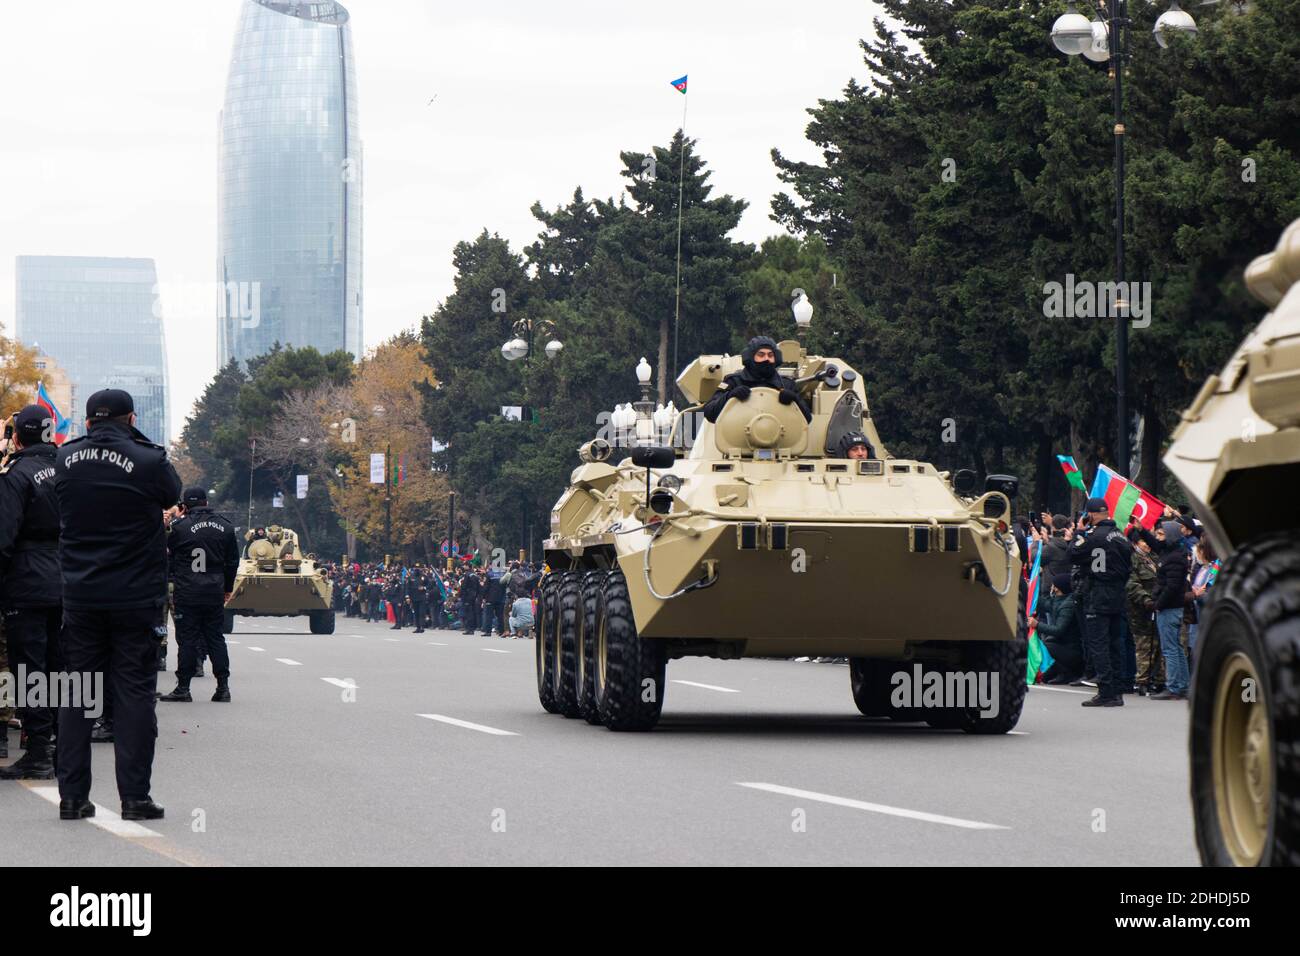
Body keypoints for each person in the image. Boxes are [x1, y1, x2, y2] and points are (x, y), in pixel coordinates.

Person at [52, 389, 182, 821]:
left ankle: (72, 798)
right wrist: (134, 440)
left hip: (81, 595)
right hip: (135, 597)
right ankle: (135, 798)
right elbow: (171, 495)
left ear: (88, 422)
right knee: (134, 695)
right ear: (131, 419)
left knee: (77, 694)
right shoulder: (149, 460)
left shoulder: (64, 459)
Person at [0, 406, 63, 779]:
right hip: (70, 578)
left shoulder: (17, 474)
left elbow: (3, 536)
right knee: (59, 664)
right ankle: (60, 745)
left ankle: (39, 750)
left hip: (27, 580)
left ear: (19, 437)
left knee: (29, 668)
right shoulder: (72, 470)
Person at [159, 487, 239, 704]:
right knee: (215, 638)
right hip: (214, 590)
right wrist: (227, 588)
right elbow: (232, 562)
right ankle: (223, 687)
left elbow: (162, 551)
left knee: (187, 640)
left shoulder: (179, 528)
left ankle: (183, 688)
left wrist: (167, 523)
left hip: (187, 591)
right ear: (206, 503)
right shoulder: (226, 527)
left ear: (184, 506)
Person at [1070, 496, 1133, 707]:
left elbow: (1073, 554)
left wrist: (1079, 532)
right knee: (1116, 644)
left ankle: (1106, 691)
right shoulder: (1121, 536)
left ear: (1091, 515)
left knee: (1098, 644)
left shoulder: (1093, 536)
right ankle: (1118, 691)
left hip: (1098, 592)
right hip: (1118, 593)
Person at [701, 336, 812, 424]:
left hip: (779, 440)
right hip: (737, 440)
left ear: (776, 358)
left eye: (770, 355)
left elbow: (807, 419)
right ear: (750, 357)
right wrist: (729, 396)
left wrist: (795, 400)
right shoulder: (734, 382)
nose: (766, 359)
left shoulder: (786, 384)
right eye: (761, 355)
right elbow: (710, 412)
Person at [1151, 520, 1191, 701]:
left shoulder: (1173, 557)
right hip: (1173, 606)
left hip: (1169, 607)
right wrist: (1141, 531)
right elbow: (1155, 544)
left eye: (1161, 534)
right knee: (1176, 647)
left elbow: (1172, 586)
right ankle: (1183, 685)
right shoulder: (1172, 552)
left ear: (1171, 536)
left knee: (1170, 649)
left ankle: (1173, 686)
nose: (1158, 537)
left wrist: (1159, 604)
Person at [1126, 528, 1164, 695]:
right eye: (1143, 541)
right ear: (1135, 543)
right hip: (1140, 610)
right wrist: (1146, 600)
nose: (1147, 544)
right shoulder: (1132, 560)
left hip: (1158, 606)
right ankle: (1142, 680)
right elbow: (1132, 584)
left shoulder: (1154, 557)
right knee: (1144, 646)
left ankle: (1159, 680)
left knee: (1159, 645)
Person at [1028, 573, 1083, 684]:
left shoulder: (1068, 605)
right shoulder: (1059, 600)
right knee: (1044, 678)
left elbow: (1058, 630)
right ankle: (1060, 672)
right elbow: (1044, 603)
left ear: (1057, 588)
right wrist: (1029, 590)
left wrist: (1037, 625)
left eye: (1053, 584)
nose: (1051, 586)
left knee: (1043, 646)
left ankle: (1068, 672)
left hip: (1073, 650)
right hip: (1063, 647)